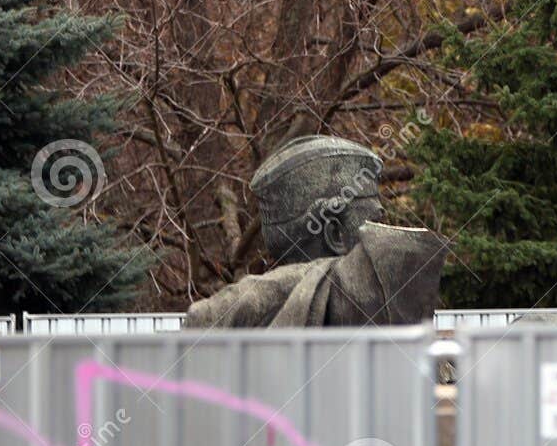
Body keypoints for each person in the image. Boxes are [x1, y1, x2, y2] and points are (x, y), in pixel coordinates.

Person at [184, 135, 449, 328]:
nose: (381, 231)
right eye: (375, 220)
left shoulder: (239, 310)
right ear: (334, 233)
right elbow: (409, 254)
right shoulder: (366, 295)